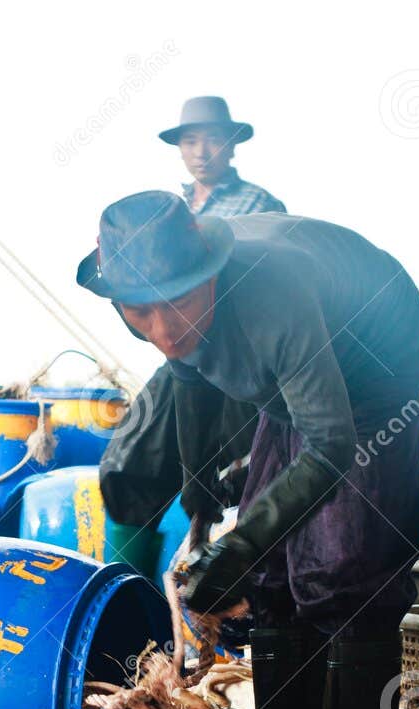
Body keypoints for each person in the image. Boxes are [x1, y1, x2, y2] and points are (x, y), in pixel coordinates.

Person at [78, 191, 419, 709]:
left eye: (177, 306)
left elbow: (331, 443)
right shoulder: (173, 308)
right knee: (273, 579)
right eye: (140, 312)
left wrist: (241, 544)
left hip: (376, 369)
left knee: (344, 565)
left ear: (211, 278)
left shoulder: (273, 302)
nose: (163, 331)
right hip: (289, 381)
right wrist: (199, 490)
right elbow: (190, 375)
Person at [101, 97, 284, 573]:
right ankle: (126, 597)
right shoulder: (172, 210)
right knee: (130, 460)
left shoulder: (260, 205)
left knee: (231, 474)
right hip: (182, 355)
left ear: (231, 146)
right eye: (190, 140)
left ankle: (229, 594)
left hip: (235, 357)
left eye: (211, 139)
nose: (201, 150)